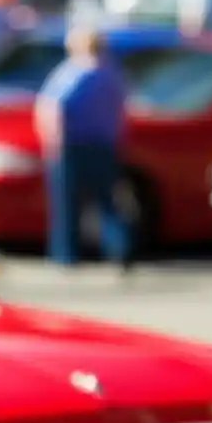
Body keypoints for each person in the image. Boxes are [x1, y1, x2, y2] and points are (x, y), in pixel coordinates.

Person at [35, 25, 131, 272]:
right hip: (104, 145)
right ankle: (120, 250)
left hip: (72, 145)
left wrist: (52, 142)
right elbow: (122, 110)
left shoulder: (72, 72)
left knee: (66, 205)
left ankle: (65, 256)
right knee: (107, 202)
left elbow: (52, 107)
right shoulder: (112, 74)